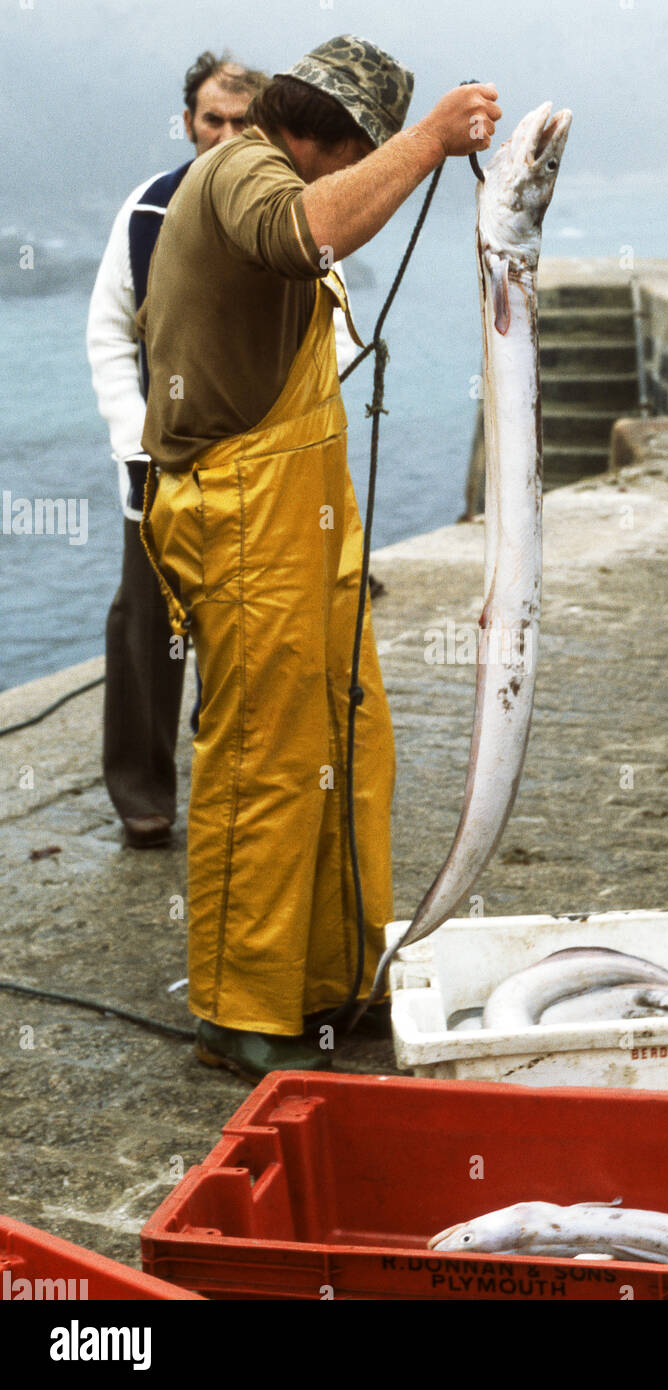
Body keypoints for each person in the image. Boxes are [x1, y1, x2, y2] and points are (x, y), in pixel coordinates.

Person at [137, 35, 501, 1080]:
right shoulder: (247, 168)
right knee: (263, 755)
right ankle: (238, 1007)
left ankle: (331, 979)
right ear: (333, 136)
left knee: (344, 743)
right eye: (361, 154)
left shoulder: (271, 167)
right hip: (244, 512)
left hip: (303, 519)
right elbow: (307, 236)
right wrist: (431, 139)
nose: (355, 174)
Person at [87, 52, 270, 848]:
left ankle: (237, 791)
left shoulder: (279, 210)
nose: (225, 135)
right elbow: (106, 338)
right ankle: (142, 799)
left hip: (256, 469)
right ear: (189, 121)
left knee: (248, 633)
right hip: (158, 470)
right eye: (211, 120)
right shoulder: (147, 212)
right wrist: (134, 451)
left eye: (241, 122)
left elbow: (322, 338)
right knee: (144, 632)